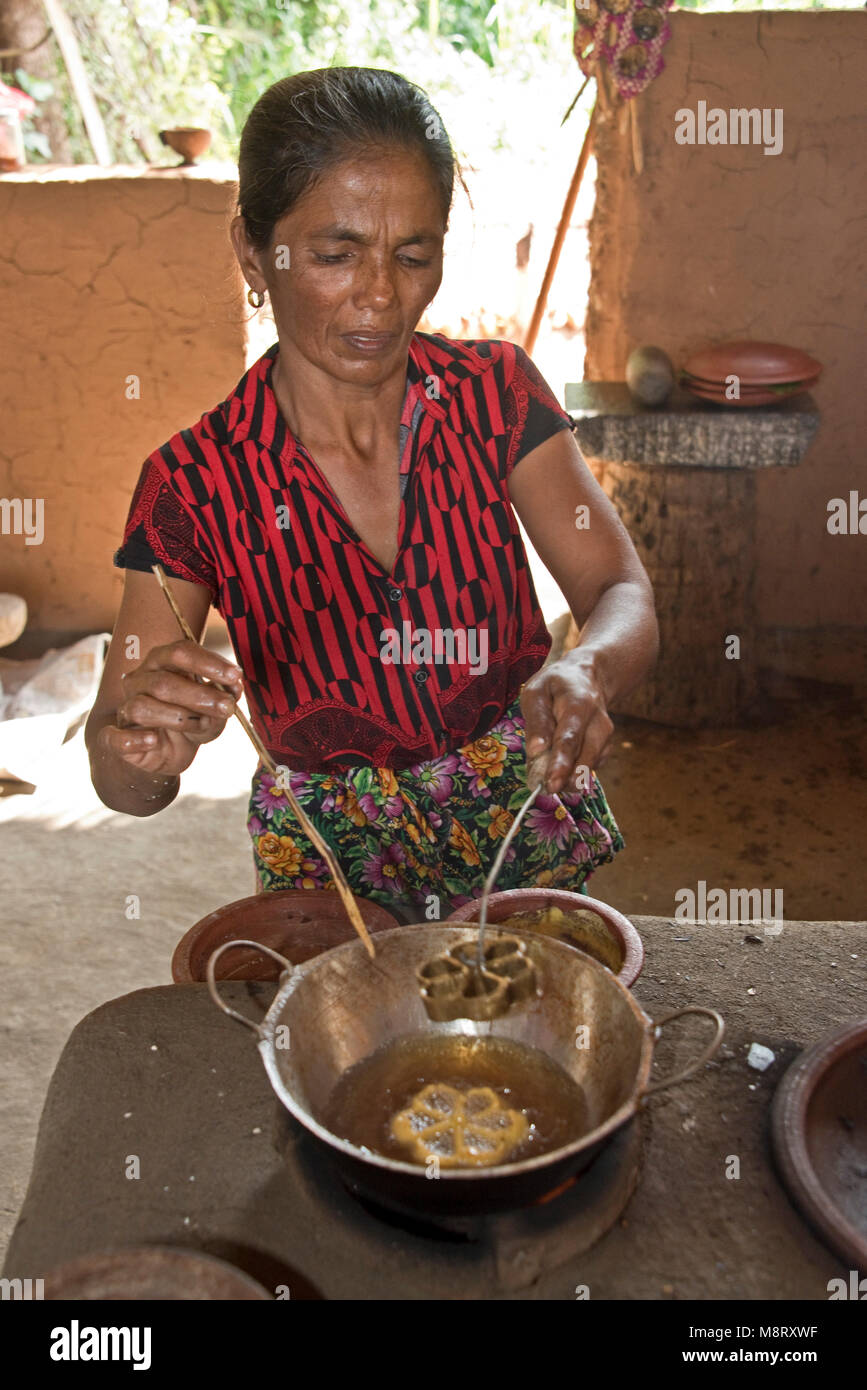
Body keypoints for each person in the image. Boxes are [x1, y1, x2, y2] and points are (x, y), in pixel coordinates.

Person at [86, 67, 658, 924]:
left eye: (413, 254)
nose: (381, 295)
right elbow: (124, 780)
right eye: (335, 254)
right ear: (254, 250)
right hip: (331, 874)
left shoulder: (493, 396)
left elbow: (620, 591)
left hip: (515, 825)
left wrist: (586, 665)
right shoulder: (195, 484)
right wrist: (144, 747)